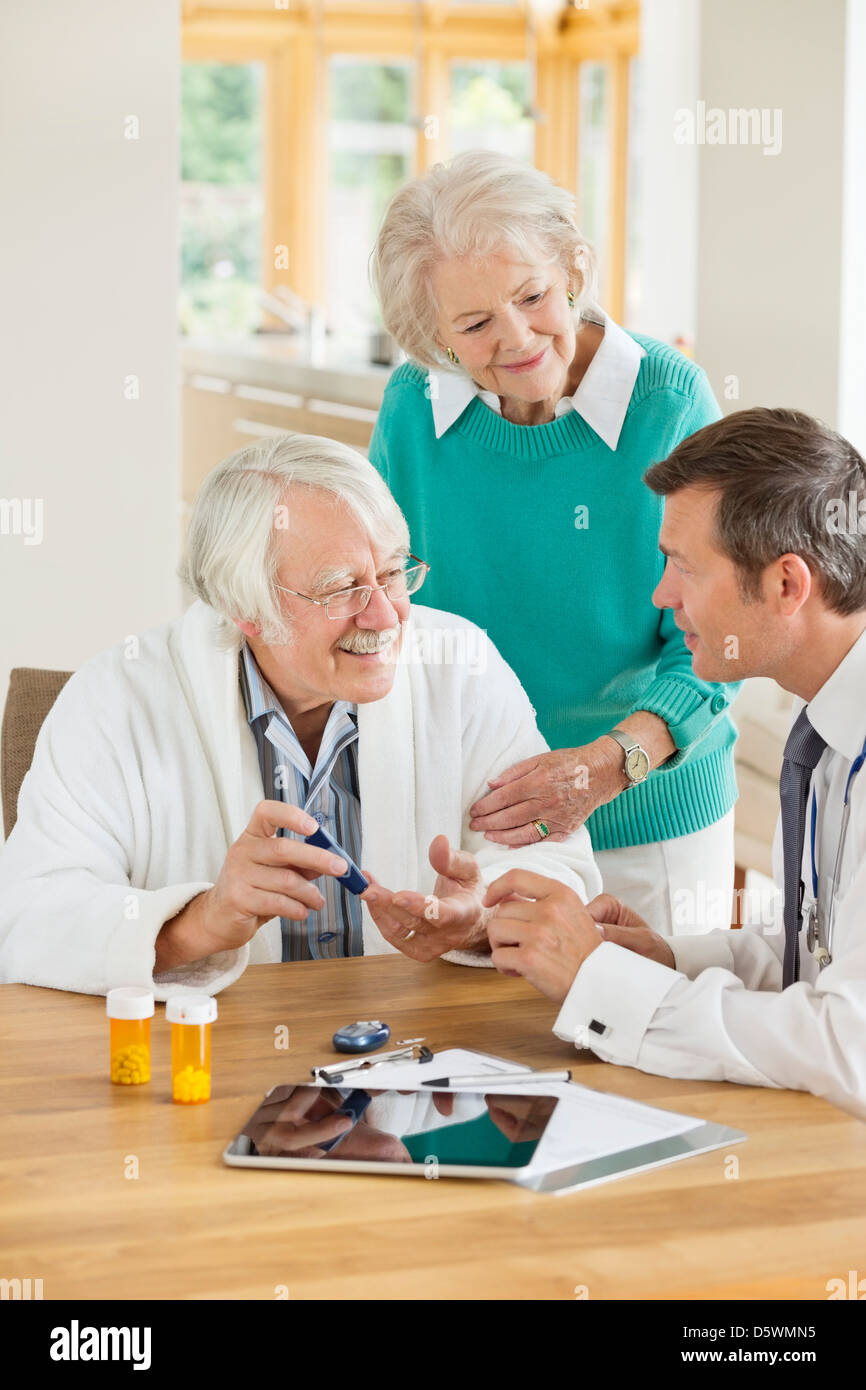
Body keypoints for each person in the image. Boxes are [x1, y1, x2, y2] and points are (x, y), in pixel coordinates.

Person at [0, 432, 599, 998]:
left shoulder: (461, 665)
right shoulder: (114, 699)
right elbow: (29, 916)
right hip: (205, 1062)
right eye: (341, 588)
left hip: (419, 1054)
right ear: (243, 608)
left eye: (392, 573)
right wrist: (203, 922)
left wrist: (477, 921)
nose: (386, 617)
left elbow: (555, 860)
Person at [368, 148, 738, 935]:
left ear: (573, 268)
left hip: (647, 820)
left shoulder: (669, 404)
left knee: (653, 1040)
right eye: (473, 324)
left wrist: (605, 766)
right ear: (432, 337)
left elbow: (722, 642)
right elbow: (381, 597)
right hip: (477, 821)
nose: (519, 338)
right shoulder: (412, 408)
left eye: (533, 296)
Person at [481, 407, 866, 1119]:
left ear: (787, 585)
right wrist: (665, 960)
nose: (662, 595)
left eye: (683, 566)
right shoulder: (830, 724)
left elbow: (851, 1045)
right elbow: (821, 955)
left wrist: (599, 983)